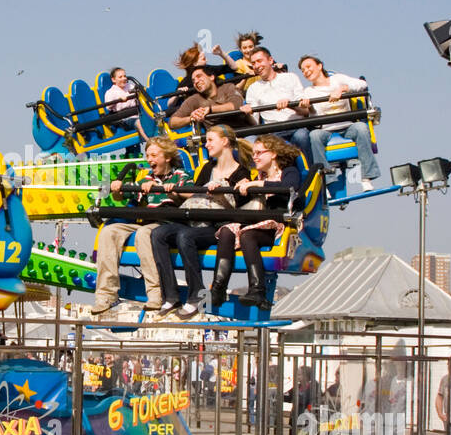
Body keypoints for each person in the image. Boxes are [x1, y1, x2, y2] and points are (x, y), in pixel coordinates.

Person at [149, 125, 254, 318]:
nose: (206, 144)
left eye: (210, 140)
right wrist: (175, 191)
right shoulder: (207, 167)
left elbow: (238, 209)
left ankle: (196, 294)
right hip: (197, 219)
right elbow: (195, 194)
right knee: (158, 234)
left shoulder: (241, 173)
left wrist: (221, 194)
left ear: (224, 142)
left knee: (184, 236)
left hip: (218, 226)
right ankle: (170, 295)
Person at [89, 137, 188, 314]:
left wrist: (172, 191)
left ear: (166, 157)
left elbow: (188, 196)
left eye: (154, 155)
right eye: (147, 155)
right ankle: (106, 295)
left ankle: (155, 294)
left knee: (144, 235)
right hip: (145, 220)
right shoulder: (146, 179)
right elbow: (126, 196)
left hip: (167, 223)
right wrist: (118, 188)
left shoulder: (180, 175)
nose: (149, 159)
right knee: (109, 232)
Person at [208, 134, 302, 309]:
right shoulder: (256, 176)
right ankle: (218, 288)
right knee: (227, 230)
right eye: (254, 154)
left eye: (259, 153)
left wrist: (257, 185)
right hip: (256, 220)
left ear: (273, 153)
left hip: (277, 224)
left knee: (247, 235)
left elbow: (290, 188)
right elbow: (245, 205)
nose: (255, 157)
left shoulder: (289, 171)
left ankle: (257, 289)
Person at [295, 54, 380, 192]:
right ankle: (327, 181)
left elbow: (362, 84)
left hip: (347, 125)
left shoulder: (337, 79)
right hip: (326, 129)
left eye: (308, 67)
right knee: (314, 136)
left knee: (361, 128)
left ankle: (366, 177)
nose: (306, 71)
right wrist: (308, 107)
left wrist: (343, 89)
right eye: (303, 70)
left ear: (319, 66)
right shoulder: (308, 92)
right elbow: (310, 114)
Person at [240, 47, 310, 155]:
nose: (257, 66)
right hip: (273, 132)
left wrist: (290, 105)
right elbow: (255, 123)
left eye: (259, 61)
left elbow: (305, 112)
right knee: (255, 142)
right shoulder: (253, 88)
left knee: (302, 136)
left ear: (270, 60)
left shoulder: (290, 77)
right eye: (253, 63)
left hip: (296, 126)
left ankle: (311, 170)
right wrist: (248, 114)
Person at [168, 65, 252, 131]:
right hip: (217, 140)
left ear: (211, 77)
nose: (196, 82)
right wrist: (192, 118)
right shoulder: (194, 99)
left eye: (199, 76)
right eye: (193, 81)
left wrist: (210, 110)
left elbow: (236, 105)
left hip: (242, 132)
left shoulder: (228, 87)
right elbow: (172, 122)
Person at [102, 67, 148, 141]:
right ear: (113, 79)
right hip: (125, 119)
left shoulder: (130, 86)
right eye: (120, 77)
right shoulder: (111, 92)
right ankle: (149, 141)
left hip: (138, 113)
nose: (123, 78)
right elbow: (108, 107)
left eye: (124, 76)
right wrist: (118, 100)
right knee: (138, 122)